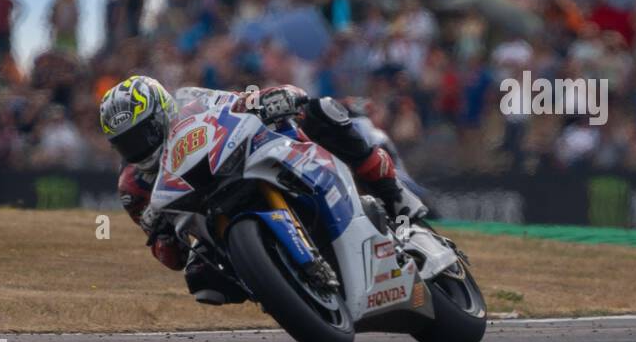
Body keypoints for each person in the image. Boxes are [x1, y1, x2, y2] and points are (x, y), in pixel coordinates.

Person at [97, 76, 425, 305]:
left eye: (143, 134)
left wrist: (271, 98)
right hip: (211, 221)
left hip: (239, 163)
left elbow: (237, 103)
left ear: (161, 113)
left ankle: (392, 191)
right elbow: (172, 259)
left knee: (322, 110)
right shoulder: (133, 186)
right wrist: (161, 232)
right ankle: (283, 290)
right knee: (201, 280)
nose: (138, 147)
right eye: (127, 143)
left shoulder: (190, 102)